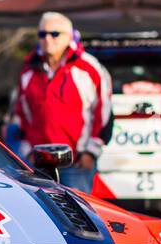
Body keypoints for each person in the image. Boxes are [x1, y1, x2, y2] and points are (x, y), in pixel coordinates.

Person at [16, 12, 112, 193]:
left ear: (69, 36)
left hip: (75, 163)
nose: (48, 39)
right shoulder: (30, 69)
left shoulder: (88, 68)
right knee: (40, 215)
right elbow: (22, 113)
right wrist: (27, 149)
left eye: (54, 34)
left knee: (77, 216)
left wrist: (91, 151)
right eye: (42, 34)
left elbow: (103, 113)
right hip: (38, 163)